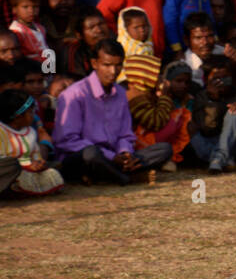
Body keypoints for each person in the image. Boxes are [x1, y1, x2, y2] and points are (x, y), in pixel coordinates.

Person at [51, 39, 172, 184]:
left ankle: (112, 173)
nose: (113, 71)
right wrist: (110, 156)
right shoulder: (74, 94)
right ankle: (125, 178)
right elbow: (66, 141)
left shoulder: (120, 93)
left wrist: (125, 154)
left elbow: (125, 135)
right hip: (82, 159)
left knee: (164, 149)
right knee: (91, 154)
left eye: (118, 65)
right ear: (94, 63)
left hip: (113, 157)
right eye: (107, 65)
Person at [189, 53, 236, 174]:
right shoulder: (201, 97)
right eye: (216, 79)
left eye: (225, 78)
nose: (221, 82)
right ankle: (224, 159)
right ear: (207, 80)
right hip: (209, 143)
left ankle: (218, 159)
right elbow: (208, 129)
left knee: (235, 112)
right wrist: (213, 101)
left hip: (235, 144)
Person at [0, 89, 63, 196]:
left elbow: (35, 154)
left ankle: (18, 188)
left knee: (55, 168)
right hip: (8, 169)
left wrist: (38, 163)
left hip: (26, 171)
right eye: (30, 112)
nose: (34, 115)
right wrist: (25, 165)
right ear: (18, 117)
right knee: (12, 164)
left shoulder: (31, 132)